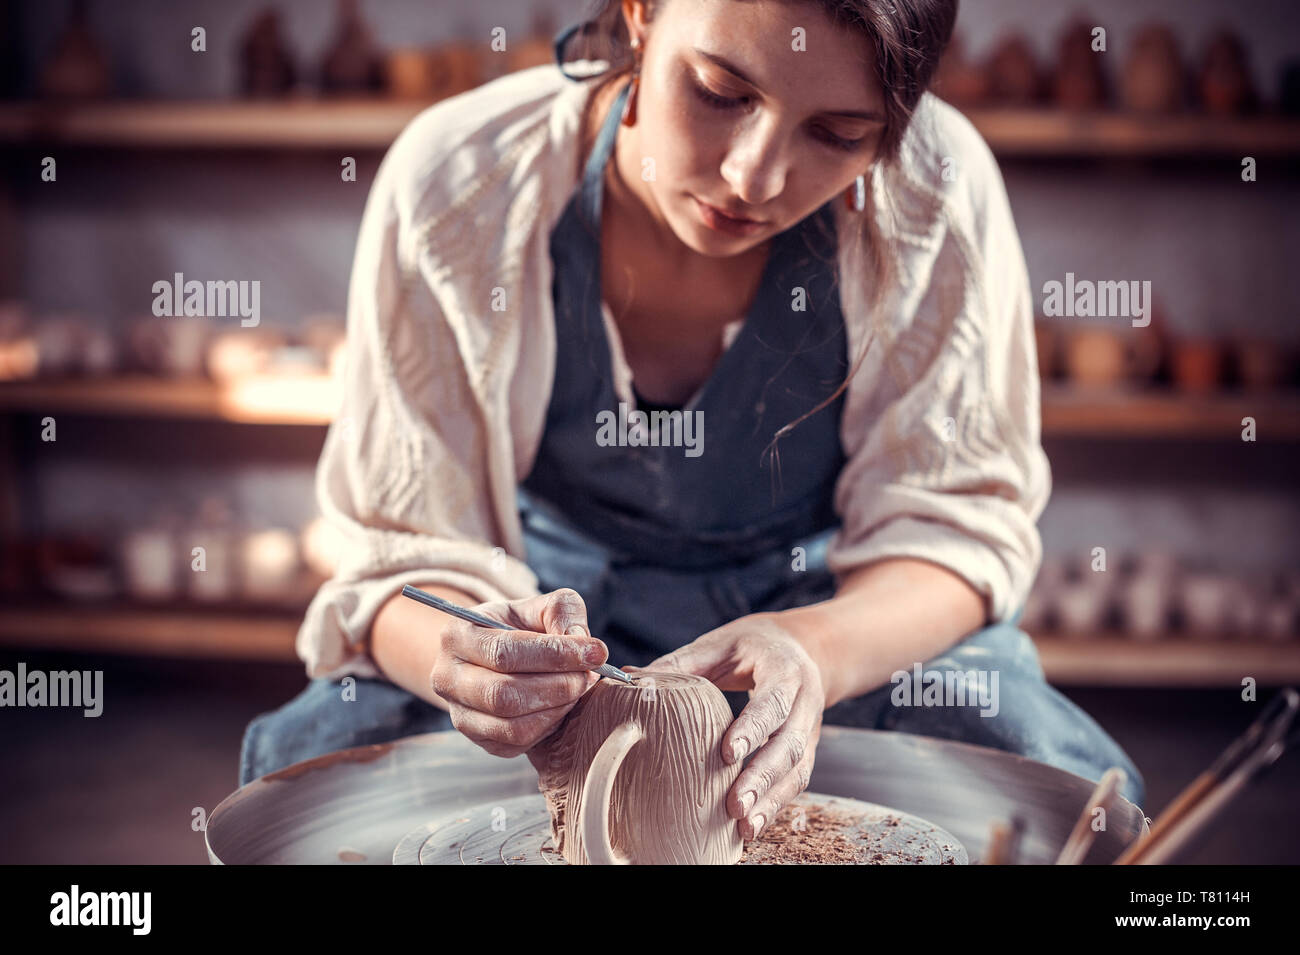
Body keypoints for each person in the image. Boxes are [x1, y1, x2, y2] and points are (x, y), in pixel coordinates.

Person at [240, 0, 1146, 831]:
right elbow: (398, 555)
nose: (755, 176)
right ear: (639, 16)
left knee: (1032, 762)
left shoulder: (933, 191)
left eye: (835, 133)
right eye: (720, 92)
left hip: (817, 611)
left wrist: (812, 650)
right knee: (326, 776)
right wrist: (475, 660)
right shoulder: (462, 181)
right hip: (554, 626)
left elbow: (958, 530)